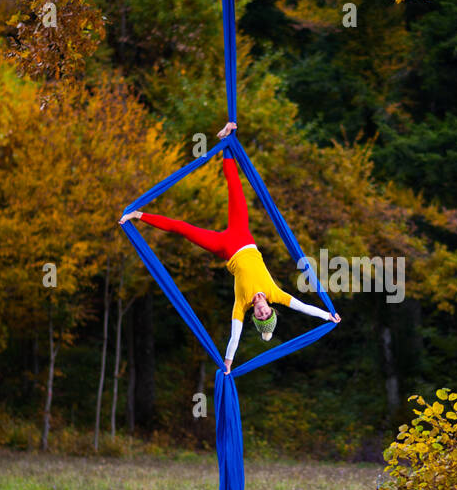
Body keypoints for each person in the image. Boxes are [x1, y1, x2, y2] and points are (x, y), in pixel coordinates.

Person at [120, 122, 340, 373]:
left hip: (225, 248)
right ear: (271, 310)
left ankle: (139, 215)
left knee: (182, 228)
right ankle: (226, 141)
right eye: (266, 313)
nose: (261, 311)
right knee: (235, 187)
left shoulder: (241, 304)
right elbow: (306, 307)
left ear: (255, 317)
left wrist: (228, 363)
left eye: (259, 316)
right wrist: (329, 316)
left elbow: (234, 338)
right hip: (243, 236)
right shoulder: (276, 294)